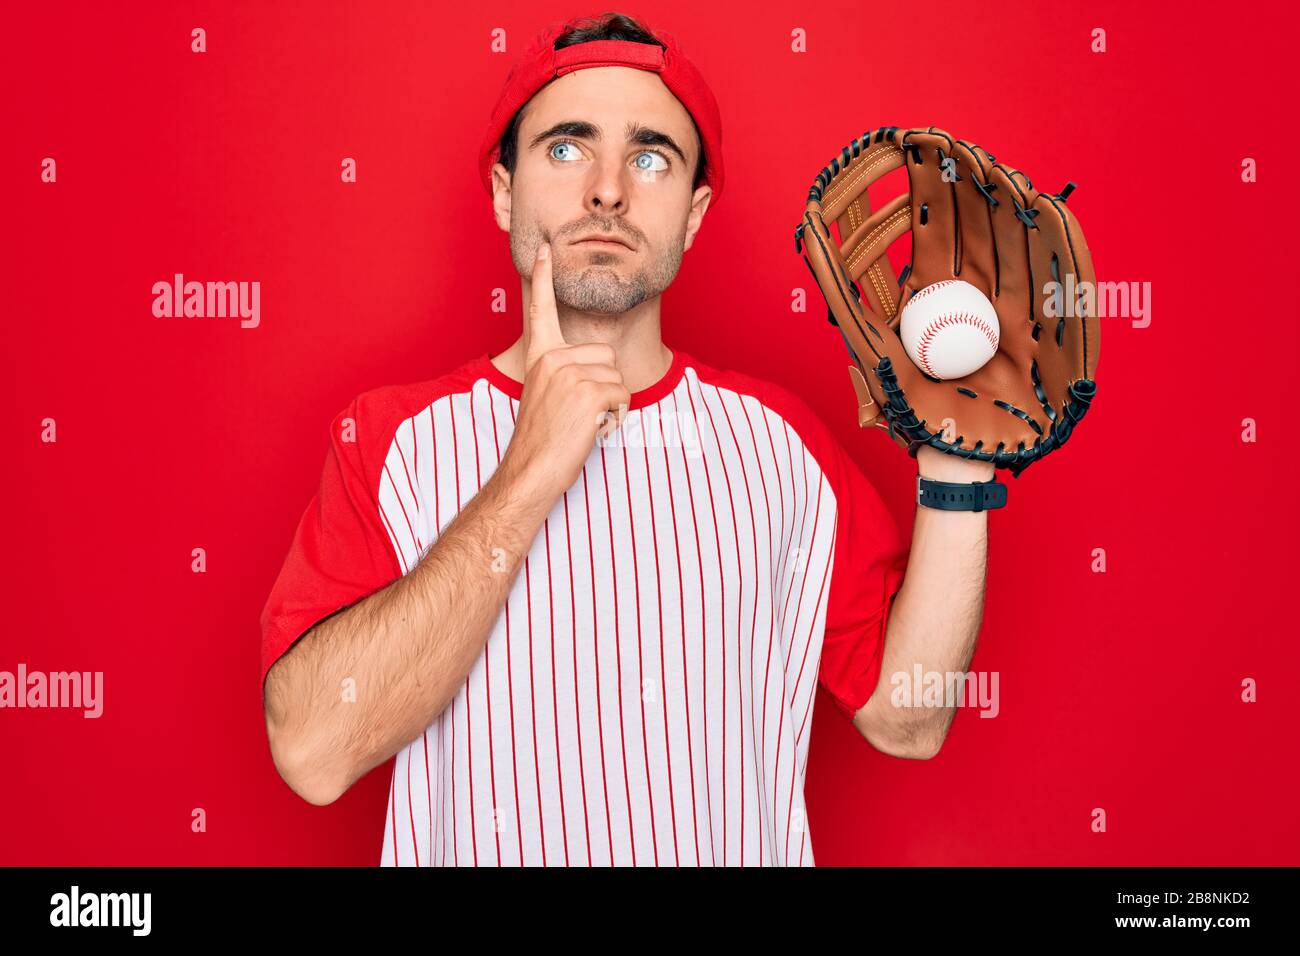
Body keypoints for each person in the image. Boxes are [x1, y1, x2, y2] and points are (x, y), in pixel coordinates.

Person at [260, 12, 995, 866]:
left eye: (652, 158)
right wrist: (529, 470)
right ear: (504, 191)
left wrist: (955, 468)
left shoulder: (783, 446)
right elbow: (312, 751)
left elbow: (910, 718)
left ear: (693, 213)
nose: (608, 189)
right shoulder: (389, 441)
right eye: (566, 148)